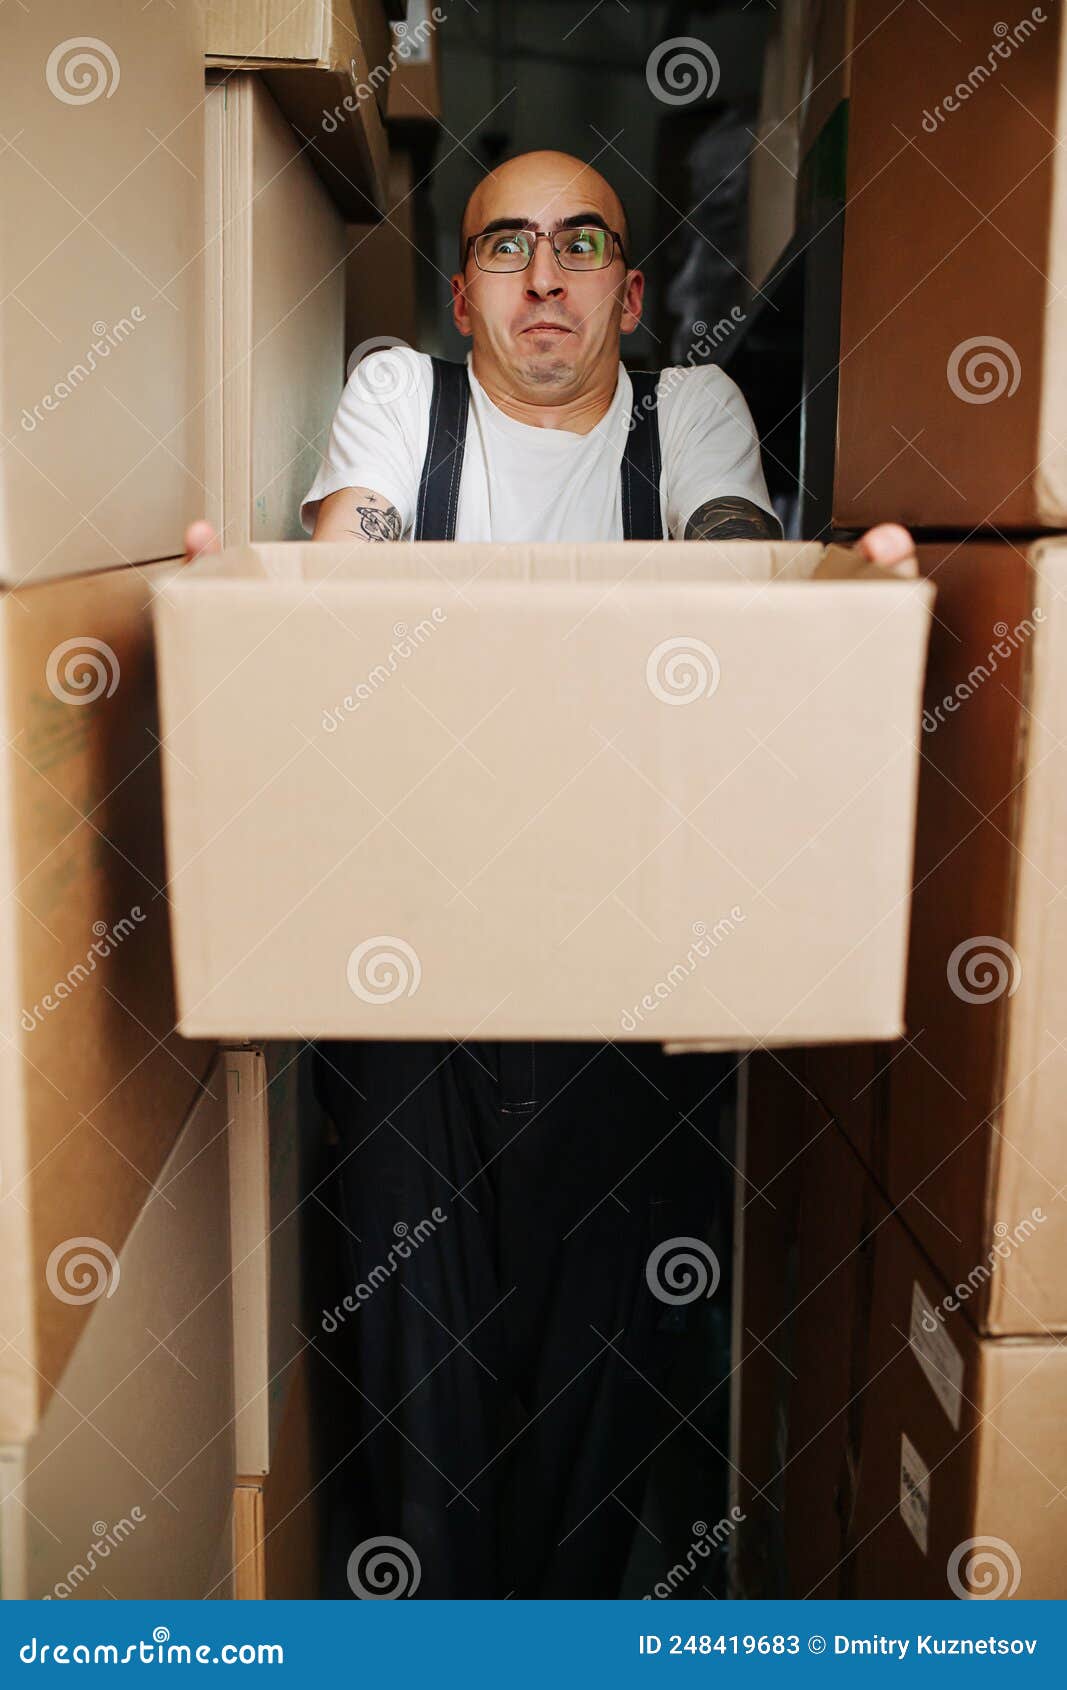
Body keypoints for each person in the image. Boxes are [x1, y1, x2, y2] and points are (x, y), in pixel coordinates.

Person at [184, 150, 915, 1600]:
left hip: (630, 1002)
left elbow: (738, 576)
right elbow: (341, 587)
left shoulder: (690, 415)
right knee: (423, 1419)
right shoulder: (402, 398)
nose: (543, 273)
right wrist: (253, 608)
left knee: (598, 1427)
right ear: (460, 292)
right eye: (506, 245)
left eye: (581, 243)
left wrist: (838, 602)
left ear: (631, 292)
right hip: (407, 998)